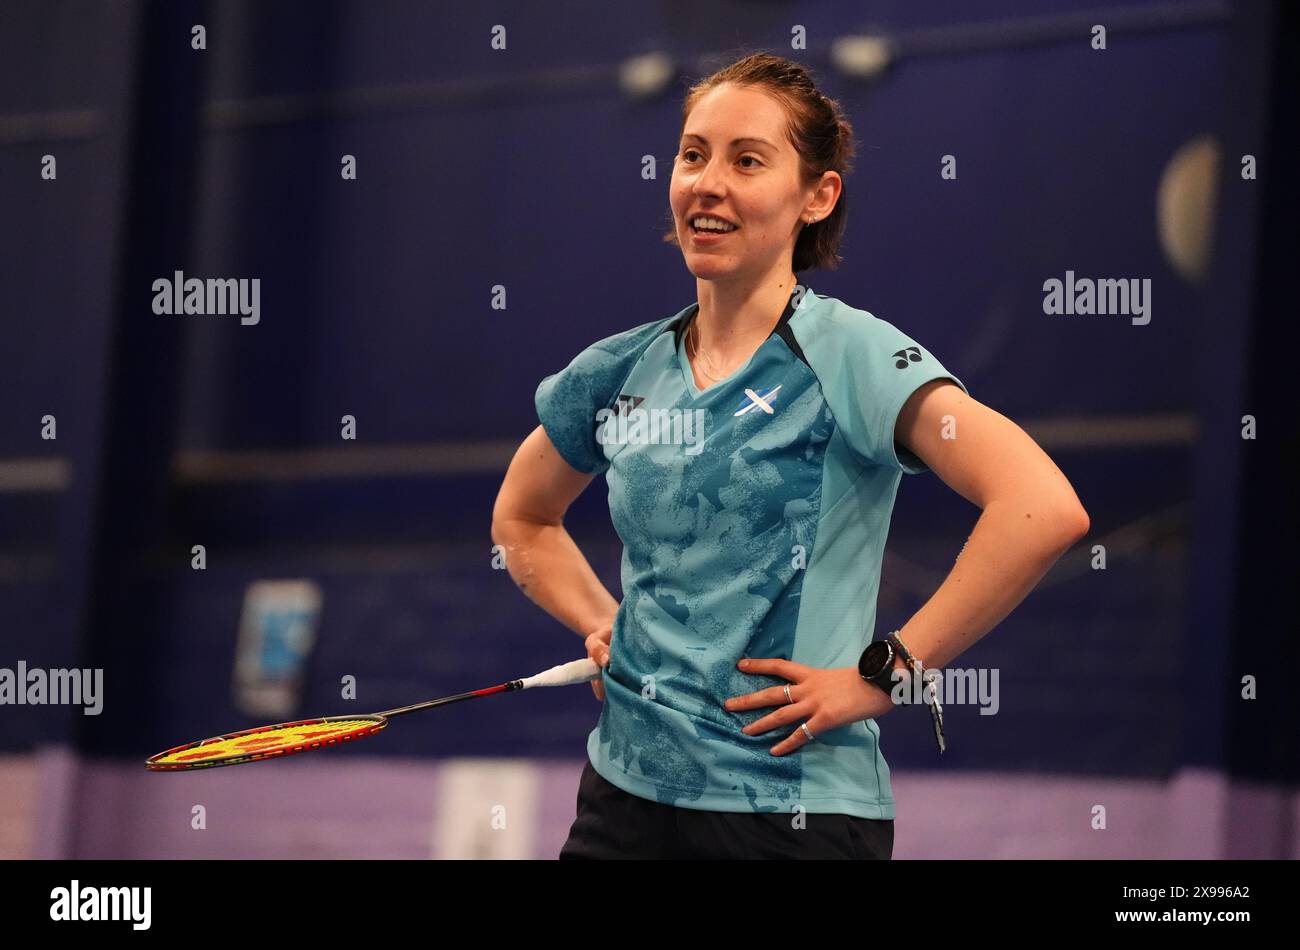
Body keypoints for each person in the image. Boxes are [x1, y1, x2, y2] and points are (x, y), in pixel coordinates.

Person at [491, 52, 1089, 859]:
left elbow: (1041, 508)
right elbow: (524, 518)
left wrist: (886, 673)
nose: (708, 183)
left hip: (791, 815)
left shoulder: (854, 356)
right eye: (693, 154)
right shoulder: (618, 370)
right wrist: (605, 624)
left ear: (818, 195)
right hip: (622, 803)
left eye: (748, 161)